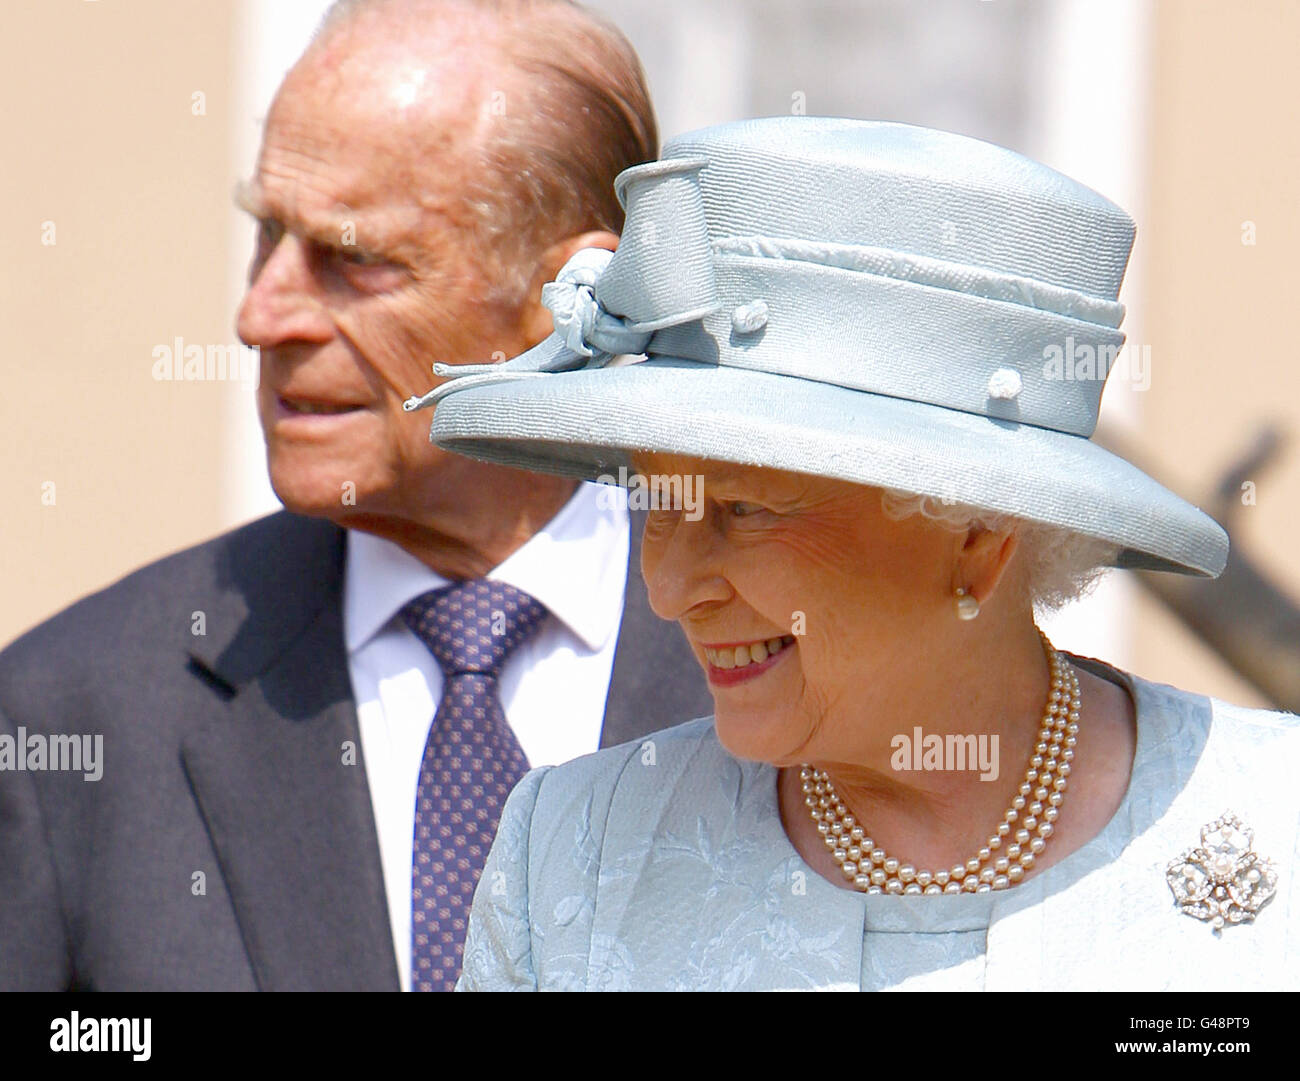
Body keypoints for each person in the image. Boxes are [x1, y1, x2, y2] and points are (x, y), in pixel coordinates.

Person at [413, 116, 1300, 991]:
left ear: (977, 538)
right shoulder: (575, 858)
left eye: (743, 508)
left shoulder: (1277, 820)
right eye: (658, 502)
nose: (666, 586)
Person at [0, 0, 710, 992]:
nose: (259, 316)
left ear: (568, 297)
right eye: (268, 237)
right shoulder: (69, 717)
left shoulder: (794, 669)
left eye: (354, 257)